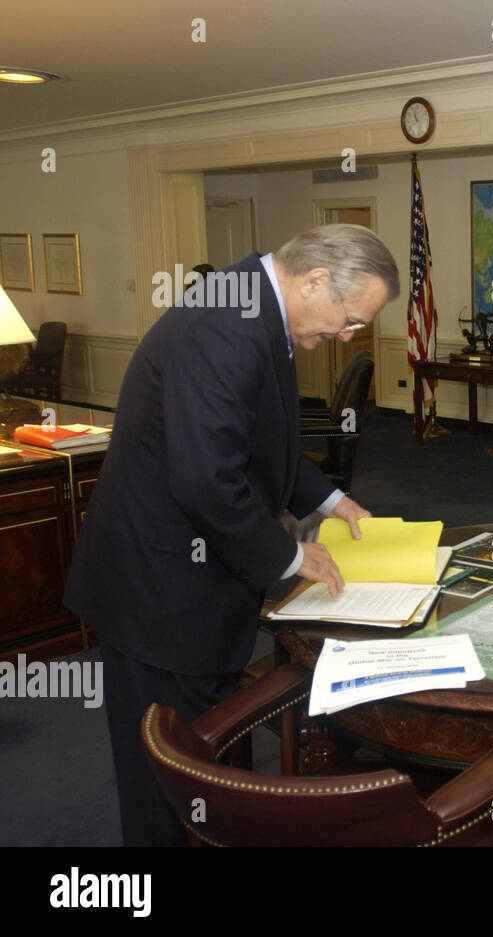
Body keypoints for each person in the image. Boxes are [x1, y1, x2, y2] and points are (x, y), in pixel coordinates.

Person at [64, 224, 400, 845]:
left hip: (184, 580)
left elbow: (258, 441)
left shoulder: (252, 306)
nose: (348, 336)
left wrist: (329, 498)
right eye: (351, 320)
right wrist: (292, 555)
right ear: (316, 280)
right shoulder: (224, 326)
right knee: (167, 771)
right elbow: (210, 483)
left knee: (198, 752)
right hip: (158, 590)